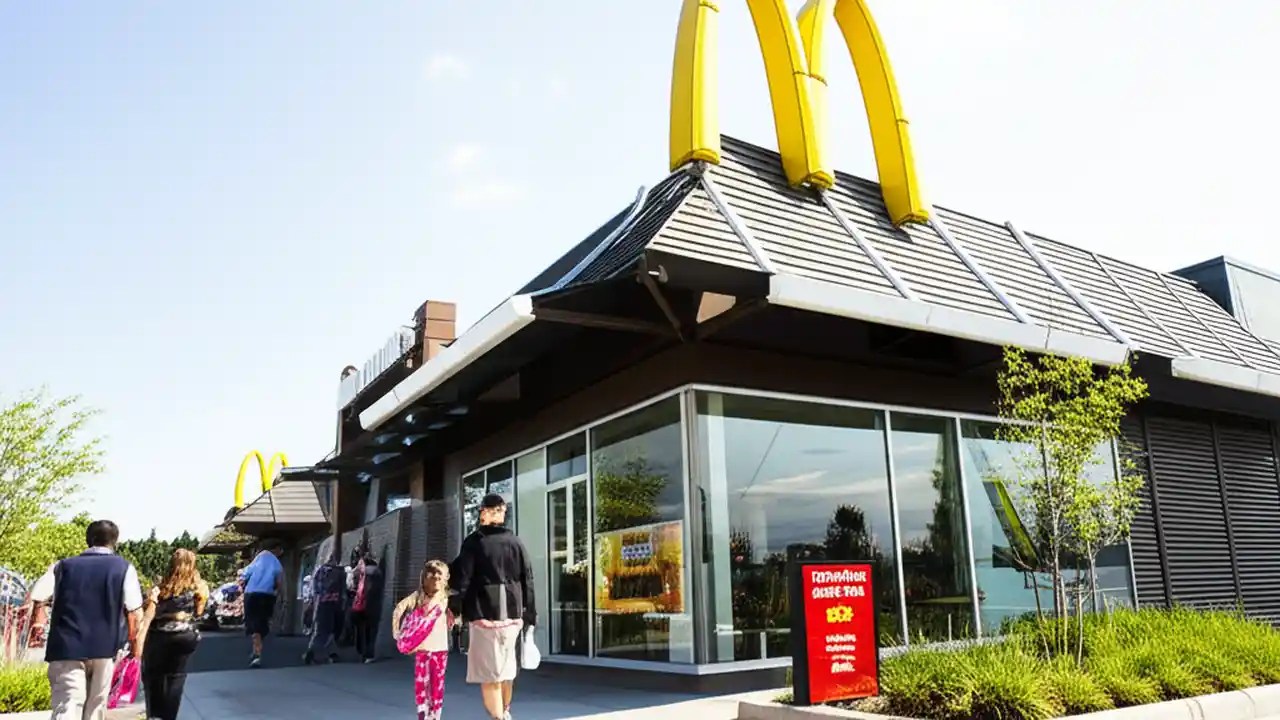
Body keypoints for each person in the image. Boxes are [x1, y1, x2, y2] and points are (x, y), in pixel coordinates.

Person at [28, 519, 145, 720]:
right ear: (114, 542)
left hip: (66, 646)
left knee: (69, 703)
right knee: (96, 707)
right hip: (105, 648)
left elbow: (38, 595)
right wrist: (135, 646)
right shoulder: (124, 568)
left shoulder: (62, 566)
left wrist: (39, 623)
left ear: (88, 539)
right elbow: (134, 611)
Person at [450, 494, 536, 720]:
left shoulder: (474, 542)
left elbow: (462, 578)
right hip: (513, 614)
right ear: (503, 512)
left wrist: (455, 608)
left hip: (483, 613)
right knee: (506, 671)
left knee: (489, 675)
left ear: (484, 512)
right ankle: (506, 711)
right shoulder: (515, 542)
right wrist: (530, 614)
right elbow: (528, 578)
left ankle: (499, 718)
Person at [142, 549, 209, 720]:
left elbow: (148, 608)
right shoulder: (198, 587)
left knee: (154, 676)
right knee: (176, 676)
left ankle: (154, 715)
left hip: (159, 635)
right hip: (184, 635)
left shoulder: (160, 586)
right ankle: (169, 716)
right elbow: (199, 612)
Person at [391, 560, 454, 720]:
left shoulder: (445, 597)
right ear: (424, 578)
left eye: (439, 576)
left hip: (439, 649)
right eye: (432, 575)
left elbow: (398, 609)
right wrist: (396, 631)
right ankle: (425, 715)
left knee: (435, 685)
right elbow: (399, 609)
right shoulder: (419, 596)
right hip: (425, 648)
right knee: (423, 685)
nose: (436, 579)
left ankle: (434, 715)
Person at [239, 542, 284, 668]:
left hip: (252, 594)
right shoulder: (276, 561)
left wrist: (243, 587)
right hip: (267, 595)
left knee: (253, 624)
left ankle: (257, 652)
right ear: (276, 548)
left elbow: (244, 575)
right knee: (262, 623)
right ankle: (257, 650)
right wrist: (277, 594)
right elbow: (279, 580)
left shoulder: (258, 559)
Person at [302, 549, 346, 665]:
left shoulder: (319, 570)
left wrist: (312, 602)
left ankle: (324, 653)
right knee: (330, 630)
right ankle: (314, 653)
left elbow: (314, 589)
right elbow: (343, 591)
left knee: (319, 630)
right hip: (333, 604)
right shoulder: (339, 572)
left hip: (320, 603)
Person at [348, 550, 384, 664]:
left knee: (360, 630)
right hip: (372, 607)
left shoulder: (359, 573)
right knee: (371, 632)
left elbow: (351, 587)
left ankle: (360, 652)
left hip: (358, 606)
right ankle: (368, 655)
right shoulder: (377, 572)